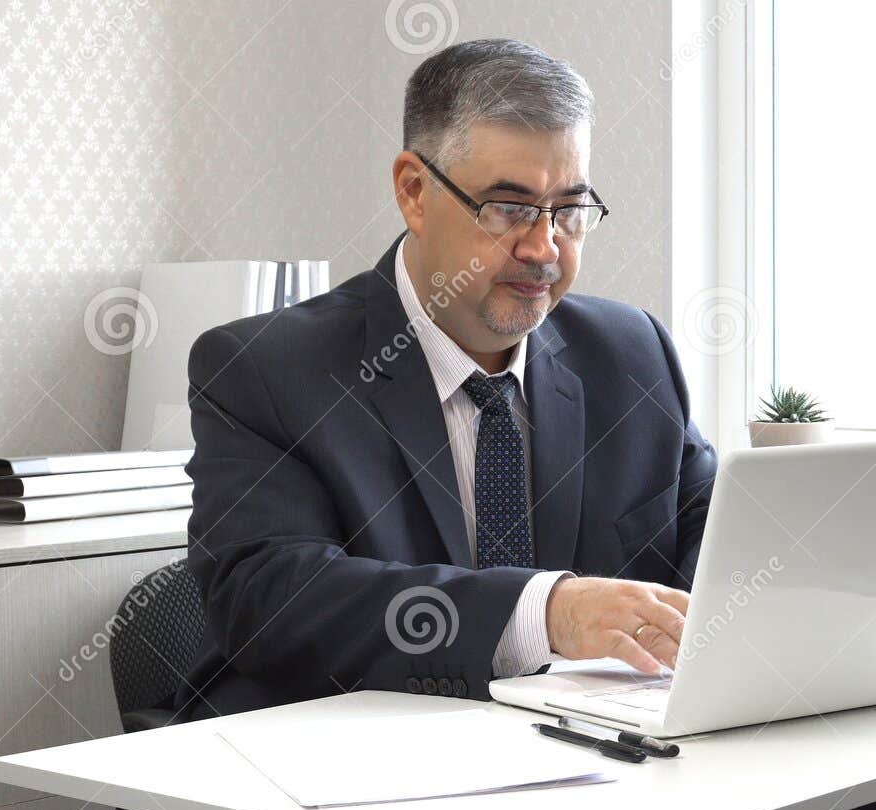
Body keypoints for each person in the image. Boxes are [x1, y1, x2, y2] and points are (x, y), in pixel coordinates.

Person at [177, 38, 715, 726]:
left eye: (570, 209)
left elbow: (718, 534)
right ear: (414, 192)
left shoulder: (631, 353)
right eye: (508, 207)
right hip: (341, 755)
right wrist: (544, 613)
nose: (544, 248)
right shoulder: (265, 369)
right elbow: (273, 602)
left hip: (589, 755)